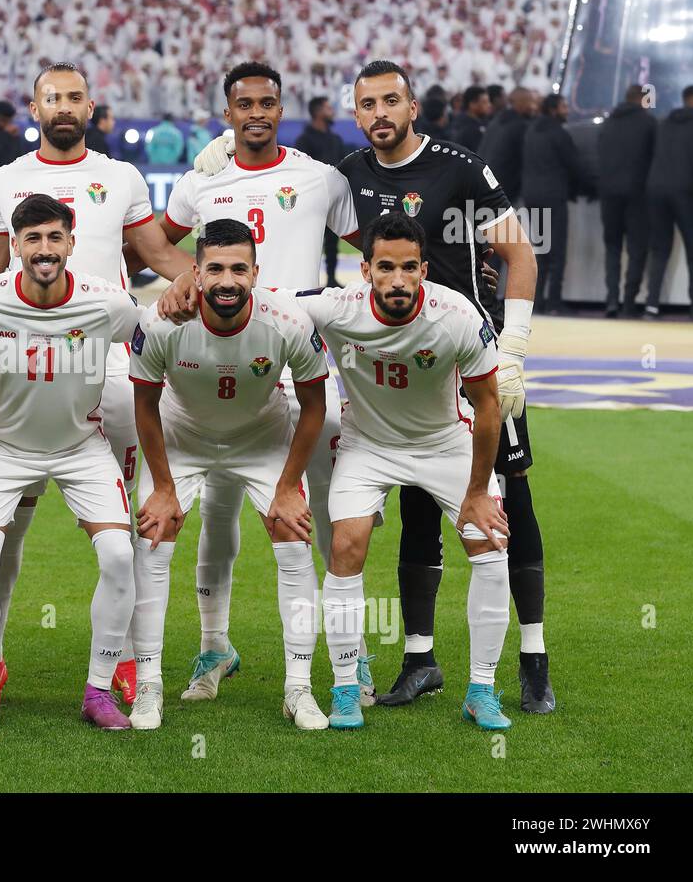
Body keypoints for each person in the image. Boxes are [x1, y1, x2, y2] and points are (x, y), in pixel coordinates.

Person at [0, 62, 196, 705]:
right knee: (2, 529)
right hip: (20, 362)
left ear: (91, 107)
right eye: (50, 98)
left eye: (73, 97)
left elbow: (157, 256)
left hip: (108, 363)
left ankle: (122, 659)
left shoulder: (119, 176)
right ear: (33, 108)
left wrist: (213, 278)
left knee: (125, 523)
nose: (62, 106)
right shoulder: (5, 180)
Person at [335, 60, 552, 714]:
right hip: (408, 360)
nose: (380, 113)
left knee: (507, 494)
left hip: (475, 356)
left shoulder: (459, 166)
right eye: (367, 103)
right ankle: (420, 659)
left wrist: (513, 346)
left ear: (411, 107)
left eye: (390, 101)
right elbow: (290, 182)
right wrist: (228, 151)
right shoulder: (349, 173)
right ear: (356, 111)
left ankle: (533, 658)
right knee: (418, 506)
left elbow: (520, 252)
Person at [163, 61, 358, 702]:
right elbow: (151, 242)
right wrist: (179, 278)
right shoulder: (201, 181)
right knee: (218, 510)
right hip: (224, 360)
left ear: (281, 109)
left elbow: (379, 242)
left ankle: (346, 662)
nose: (255, 113)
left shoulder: (320, 177)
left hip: (303, 362)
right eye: (243, 104)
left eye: (267, 103)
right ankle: (214, 647)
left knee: (329, 510)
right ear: (228, 113)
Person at [294, 213, 512, 731]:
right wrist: (188, 282)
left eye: (408, 268)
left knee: (491, 546)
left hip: (443, 443)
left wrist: (479, 491)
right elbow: (265, 302)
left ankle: (482, 688)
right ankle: (347, 688)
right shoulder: (335, 306)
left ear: (424, 270)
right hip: (368, 444)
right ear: (365, 269)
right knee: (345, 546)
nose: (397, 279)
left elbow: (488, 407)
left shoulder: (457, 314)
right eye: (385, 267)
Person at [129, 219, 329, 730]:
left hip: (260, 435)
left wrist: (287, 487)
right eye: (214, 269)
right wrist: (165, 489)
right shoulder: (161, 323)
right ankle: (149, 687)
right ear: (194, 273)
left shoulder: (287, 320)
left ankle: (299, 689)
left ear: (256, 273)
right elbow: (145, 406)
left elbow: (313, 406)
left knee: (293, 533)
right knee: (154, 535)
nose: (227, 281)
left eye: (239, 269)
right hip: (182, 436)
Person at [0, 194, 143, 732]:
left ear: (71, 242)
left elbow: (150, 360)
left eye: (54, 237)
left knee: (117, 554)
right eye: (33, 238)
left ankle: (99, 690)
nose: (45, 249)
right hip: (1, 447)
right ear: (15, 245)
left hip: (81, 446)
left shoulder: (112, 303)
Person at [522, 94, 595, 315]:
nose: (567, 110)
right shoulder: (558, 133)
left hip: (531, 195)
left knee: (540, 249)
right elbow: (575, 166)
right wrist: (592, 188)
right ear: (553, 109)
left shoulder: (532, 131)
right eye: (563, 106)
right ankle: (554, 302)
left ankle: (537, 302)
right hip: (553, 196)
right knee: (557, 250)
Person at [596, 85, 656, 318]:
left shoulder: (609, 122)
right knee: (636, 248)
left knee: (612, 247)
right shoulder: (648, 123)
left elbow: (598, 154)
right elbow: (654, 157)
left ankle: (611, 300)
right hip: (637, 193)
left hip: (608, 192)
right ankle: (629, 302)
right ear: (642, 99)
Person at [643, 84, 693, 319]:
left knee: (659, 250)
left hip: (655, 189)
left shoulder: (663, 122)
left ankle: (651, 305)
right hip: (686, 191)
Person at [293, 94, 349, 287]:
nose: (332, 111)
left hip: (333, 200)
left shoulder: (336, 139)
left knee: (333, 243)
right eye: (328, 108)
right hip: (312, 201)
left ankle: (332, 279)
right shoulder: (304, 140)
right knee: (310, 243)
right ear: (317, 112)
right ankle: (305, 281)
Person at [479, 88, 535, 204]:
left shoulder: (496, 121)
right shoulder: (520, 126)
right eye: (530, 102)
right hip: (506, 191)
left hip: (486, 186)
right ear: (520, 103)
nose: (533, 106)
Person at [450, 85, 491, 152]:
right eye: (484, 102)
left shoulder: (484, 121)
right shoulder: (462, 127)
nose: (489, 105)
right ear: (472, 104)